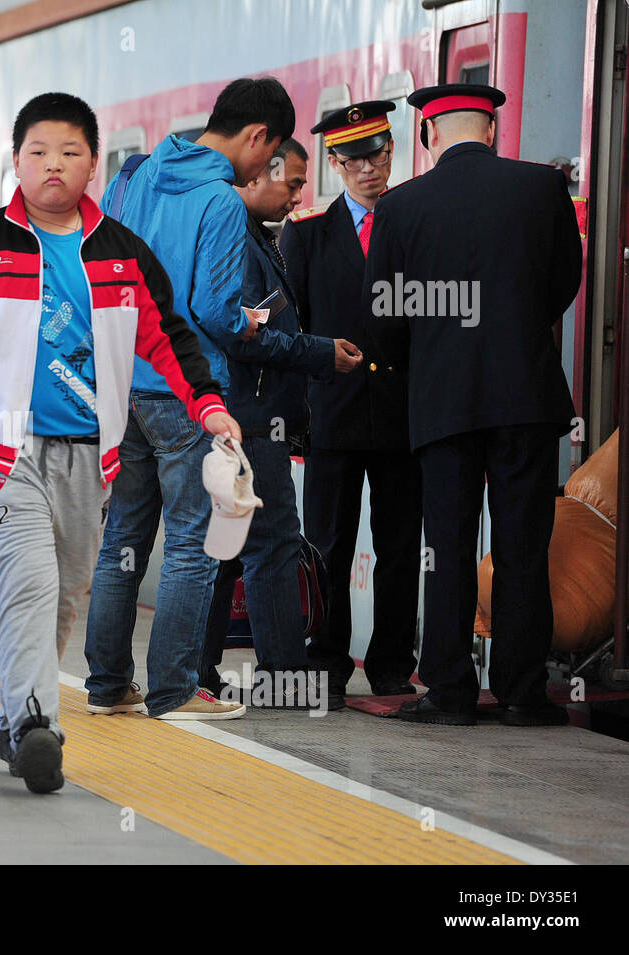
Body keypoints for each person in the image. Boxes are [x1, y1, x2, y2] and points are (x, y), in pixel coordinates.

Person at [0, 91, 241, 793]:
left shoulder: (123, 255)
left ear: (95, 162)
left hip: (90, 453)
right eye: (37, 152)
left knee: (65, 587)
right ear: (15, 161)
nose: (52, 166)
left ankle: (12, 715)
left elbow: (170, 337)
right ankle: (37, 721)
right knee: (26, 577)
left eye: (69, 152)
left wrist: (209, 405)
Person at [363, 84, 582, 727]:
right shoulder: (543, 190)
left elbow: (386, 313)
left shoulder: (400, 206)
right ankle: (521, 692)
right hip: (526, 397)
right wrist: (513, 330)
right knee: (523, 545)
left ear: (428, 137)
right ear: (491, 130)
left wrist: (429, 360)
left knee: (448, 545)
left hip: (443, 401)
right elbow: (563, 282)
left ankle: (451, 692)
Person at [82, 77, 291, 722]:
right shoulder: (222, 202)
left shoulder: (135, 176)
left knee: (123, 536)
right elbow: (213, 311)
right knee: (193, 543)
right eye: (273, 154)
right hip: (186, 388)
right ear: (256, 136)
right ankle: (173, 691)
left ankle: (107, 686)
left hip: (126, 386)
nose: (268, 168)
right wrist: (254, 324)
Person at [200, 137, 362, 707]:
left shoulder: (251, 237)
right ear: (254, 177)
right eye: (292, 183)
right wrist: (319, 352)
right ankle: (286, 680)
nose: (299, 196)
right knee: (271, 544)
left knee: (224, 547)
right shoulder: (241, 242)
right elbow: (242, 334)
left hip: (242, 415)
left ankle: (199, 670)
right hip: (249, 416)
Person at [280, 100, 422, 708]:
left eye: (380, 154)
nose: (371, 169)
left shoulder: (415, 224)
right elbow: (292, 331)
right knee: (327, 547)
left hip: (403, 416)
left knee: (398, 547)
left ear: (392, 152)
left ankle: (392, 664)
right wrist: (296, 419)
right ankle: (327, 662)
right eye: (355, 159)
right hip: (331, 417)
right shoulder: (306, 235)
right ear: (335, 165)